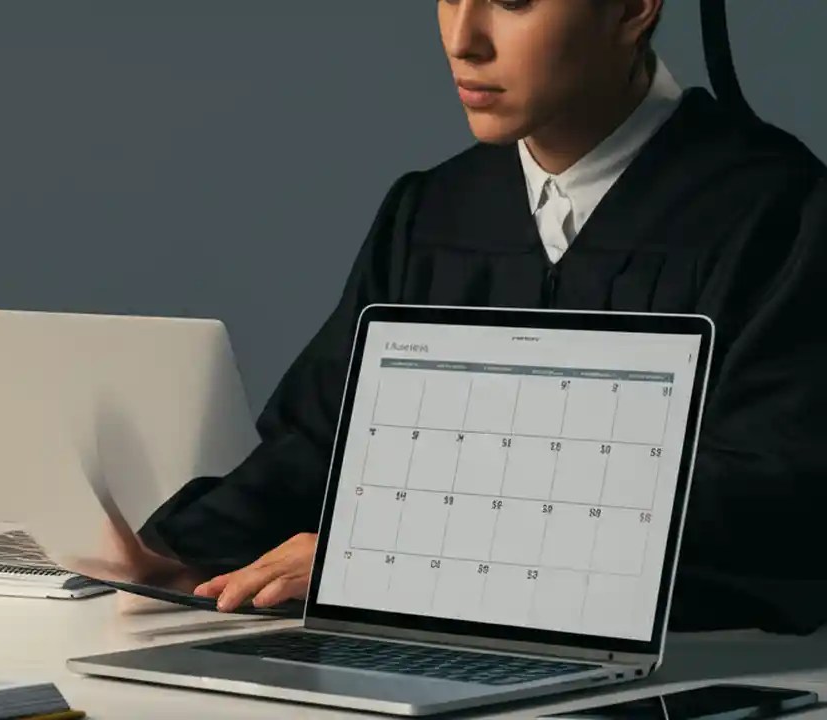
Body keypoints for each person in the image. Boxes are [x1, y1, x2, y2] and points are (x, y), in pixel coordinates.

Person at [118, 0, 827, 635]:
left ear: (634, 9)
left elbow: (767, 498)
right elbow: (321, 439)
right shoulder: (434, 209)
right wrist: (175, 546)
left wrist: (387, 558)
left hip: (706, 670)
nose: (463, 40)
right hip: (431, 659)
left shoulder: (778, 213)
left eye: (512, 1)